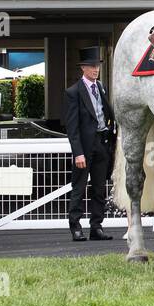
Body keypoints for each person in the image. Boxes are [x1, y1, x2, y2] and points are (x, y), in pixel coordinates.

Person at [65, 46, 115, 242]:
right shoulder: (73, 92)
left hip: (102, 142)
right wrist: (77, 152)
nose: (96, 70)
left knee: (99, 187)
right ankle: (75, 226)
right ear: (83, 68)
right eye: (92, 66)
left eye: (98, 66)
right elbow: (72, 126)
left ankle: (96, 226)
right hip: (85, 146)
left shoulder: (100, 87)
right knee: (78, 187)